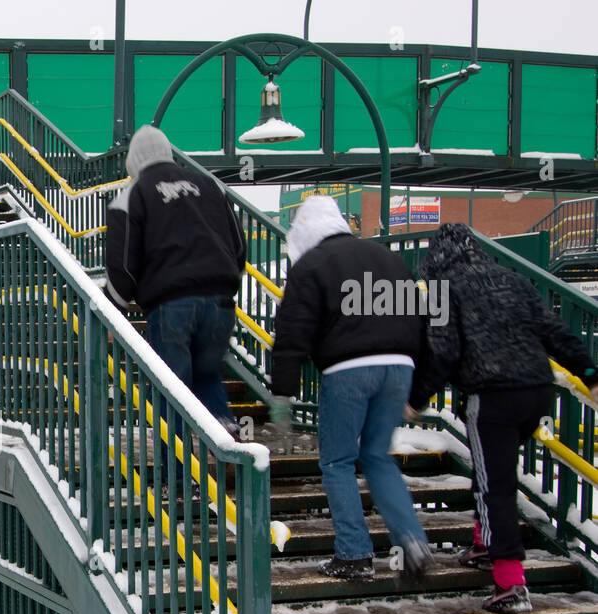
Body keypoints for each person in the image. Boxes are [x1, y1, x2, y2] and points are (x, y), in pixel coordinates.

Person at [409, 223, 598, 614]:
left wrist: (416, 398)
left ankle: (510, 583)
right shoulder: (512, 279)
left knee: (496, 485)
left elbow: (443, 352)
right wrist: (590, 374)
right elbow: (552, 331)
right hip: (537, 392)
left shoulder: (446, 289)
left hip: (493, 396)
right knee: (491, 471)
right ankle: (483, 542)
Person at [270, 196, 433, 581]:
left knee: (338, 460)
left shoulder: (312, 266)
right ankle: (412, 540)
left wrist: (283, 393)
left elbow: (293, 331)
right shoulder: (388, 260)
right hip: (399, 368)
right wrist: (420, 391)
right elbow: (422, 324)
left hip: (348, 370)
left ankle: (355, 555)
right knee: (377, 457)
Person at [105, 125, 247, 436]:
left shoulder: (131, 196)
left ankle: (180, 480)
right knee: (208, 378)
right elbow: (239, 247)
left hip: (171, 307)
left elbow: (123, 266)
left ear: (134, 162)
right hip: (220, 304)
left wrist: (113, 310)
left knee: (173, 395)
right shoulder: (210, 187)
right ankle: (230, 458)